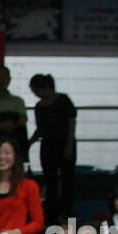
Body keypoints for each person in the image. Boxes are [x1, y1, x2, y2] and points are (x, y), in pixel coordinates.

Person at [27, 74, 77, 226]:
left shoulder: (63, 100)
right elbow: (40, 128)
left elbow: (71, 124)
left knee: (67, 179)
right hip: (48, 146)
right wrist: (29, 143)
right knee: (50, 181)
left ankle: (67, 212)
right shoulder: (39, 107)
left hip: (64, 143)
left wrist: (69, 145)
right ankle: (51, 215)